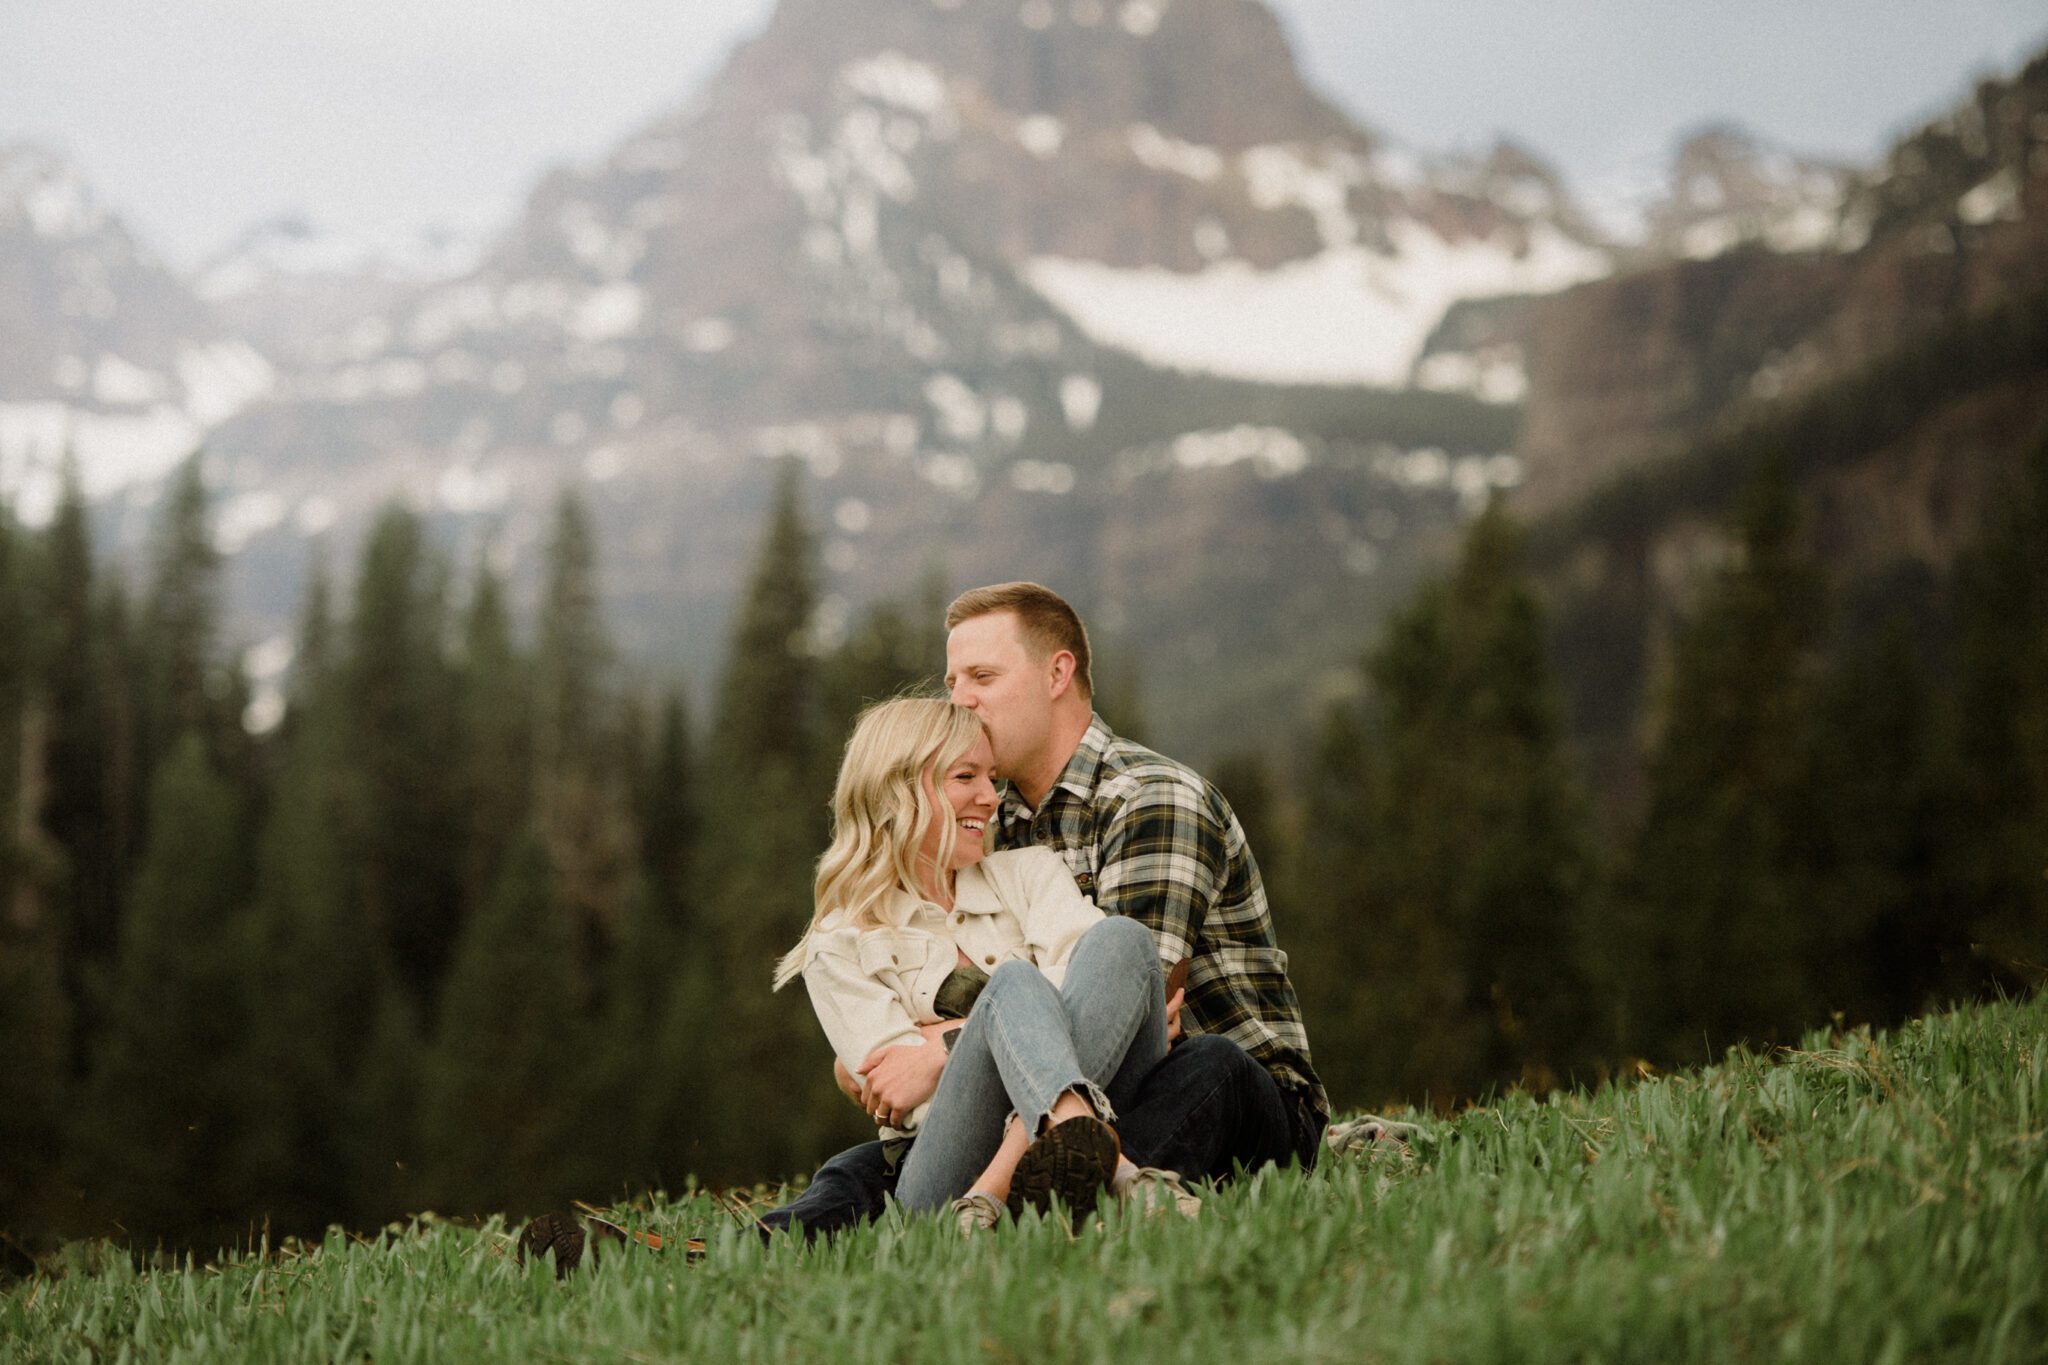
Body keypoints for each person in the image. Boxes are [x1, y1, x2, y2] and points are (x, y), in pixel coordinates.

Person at [759, 582, 1324, 1241]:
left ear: (1057, 674)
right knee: (865, 1167)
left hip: (1205, 1085)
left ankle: (999, 1199)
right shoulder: (995, 830)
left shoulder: (1150, 798)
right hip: (1047, 1102)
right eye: (952, 682)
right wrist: (873, 1059)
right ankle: (774, 1241)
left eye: (983, 677)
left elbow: (1138, 1003)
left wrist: (940, 1047)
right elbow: (893, 1071)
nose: (960, 700)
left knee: (1197, 1048)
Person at [774, 697, 1196, 1231]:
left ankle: (997, 1194)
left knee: (1122, 940)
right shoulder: (838, 942)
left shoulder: (1032, 873)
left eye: (991, 778)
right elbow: (905, 1097)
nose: (991, 797)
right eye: (965, 776)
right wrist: (994, 1019)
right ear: (898, 789)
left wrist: (939, 1045)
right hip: (941, 1170)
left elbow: (1100, 990)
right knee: (1016, 982)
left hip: (1080, 1118)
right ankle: (1107, 1162)